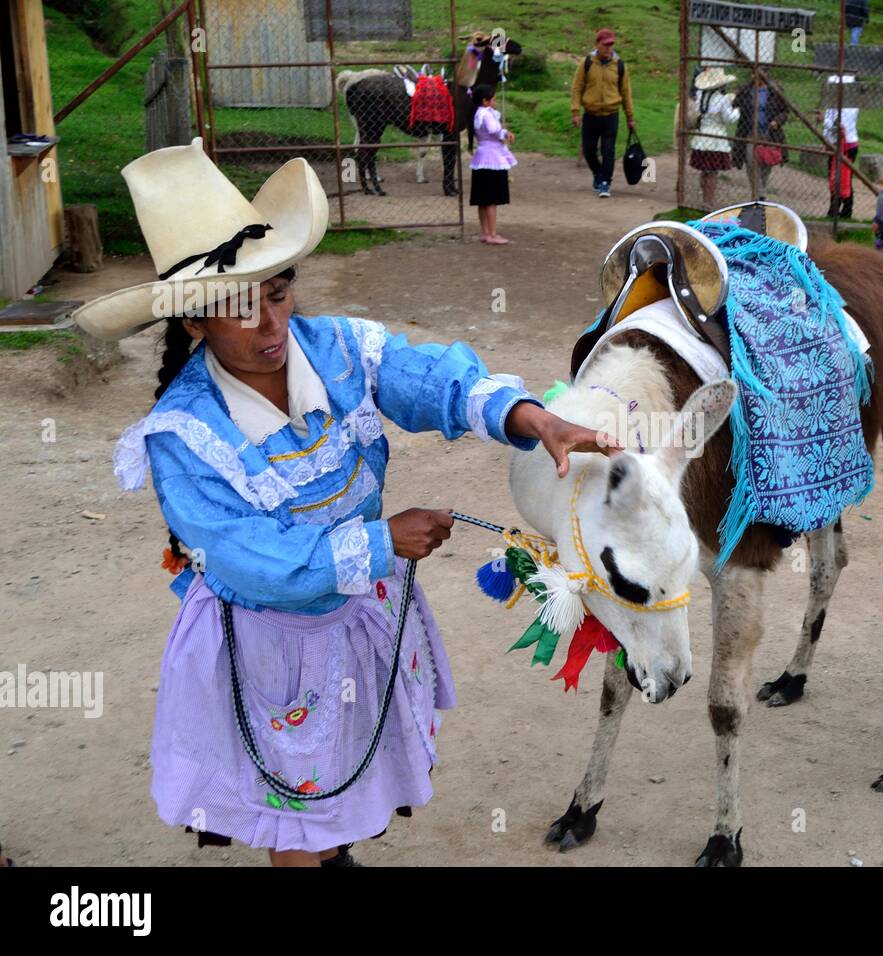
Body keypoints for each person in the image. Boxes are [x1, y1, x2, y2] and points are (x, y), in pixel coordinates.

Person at [70, 139, 616, 867]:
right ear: (193, 322)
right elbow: (246, 558)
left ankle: (334, 854)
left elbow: (430, 379)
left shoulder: (339, 349)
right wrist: (381, 541)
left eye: (278, 291)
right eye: (238, 308)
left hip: (356, 613)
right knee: (295, 805)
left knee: (338, 770)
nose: (271, 325)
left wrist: (531, 417)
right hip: (270, 644)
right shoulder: (181, 435)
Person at [570, 28, 636, 199]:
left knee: (608, 150)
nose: (608, 48)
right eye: (605, 45)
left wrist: (630, 117)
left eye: (611, 45)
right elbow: (577, 88)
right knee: (589, 150)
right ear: (597, 44)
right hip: (591, 114)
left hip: (611, 114)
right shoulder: (586, 64)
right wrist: (575, 111)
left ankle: (605, 182)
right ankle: (598, 173)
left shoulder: (620, 66)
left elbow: (626, 92)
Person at [688, 67, 740, 209]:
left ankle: (704, 199)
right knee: (713, 172)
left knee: (704, 170)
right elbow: (728, 118)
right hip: (716, 138)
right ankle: (709, 203)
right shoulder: (721, 100)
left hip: (703, 135)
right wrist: (737, 111)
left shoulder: (701, 97)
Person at [470, 85, 516, 245]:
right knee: (491, 199)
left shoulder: (476, 113)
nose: (495, 102)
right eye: (493, 99)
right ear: (485, 101)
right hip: (492, 158)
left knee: (482, 199)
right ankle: (492, 234)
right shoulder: (487, 114)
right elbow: (494, 130)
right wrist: (505, 133)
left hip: (480, 158)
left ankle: (484, 232)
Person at [734, 72, 789, 199]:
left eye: (757, 74)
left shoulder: (774, 92)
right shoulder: (747, 91)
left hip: (769, 135)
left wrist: (777, 121)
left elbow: (785, 111)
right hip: (750, 133)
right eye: (752, 73)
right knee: (751, 164)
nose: (753, 76)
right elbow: (735, 104)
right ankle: (760, 195)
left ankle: (759, 194)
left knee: (766, 164)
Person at [823, 74, 860, 217]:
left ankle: (839, 211)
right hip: (838, 142)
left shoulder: (848, 104)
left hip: (846, 143)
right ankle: (843, 210)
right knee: (838, 176)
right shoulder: (835, 102)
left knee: (840, 177)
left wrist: (826, 126)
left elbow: (838, 123)